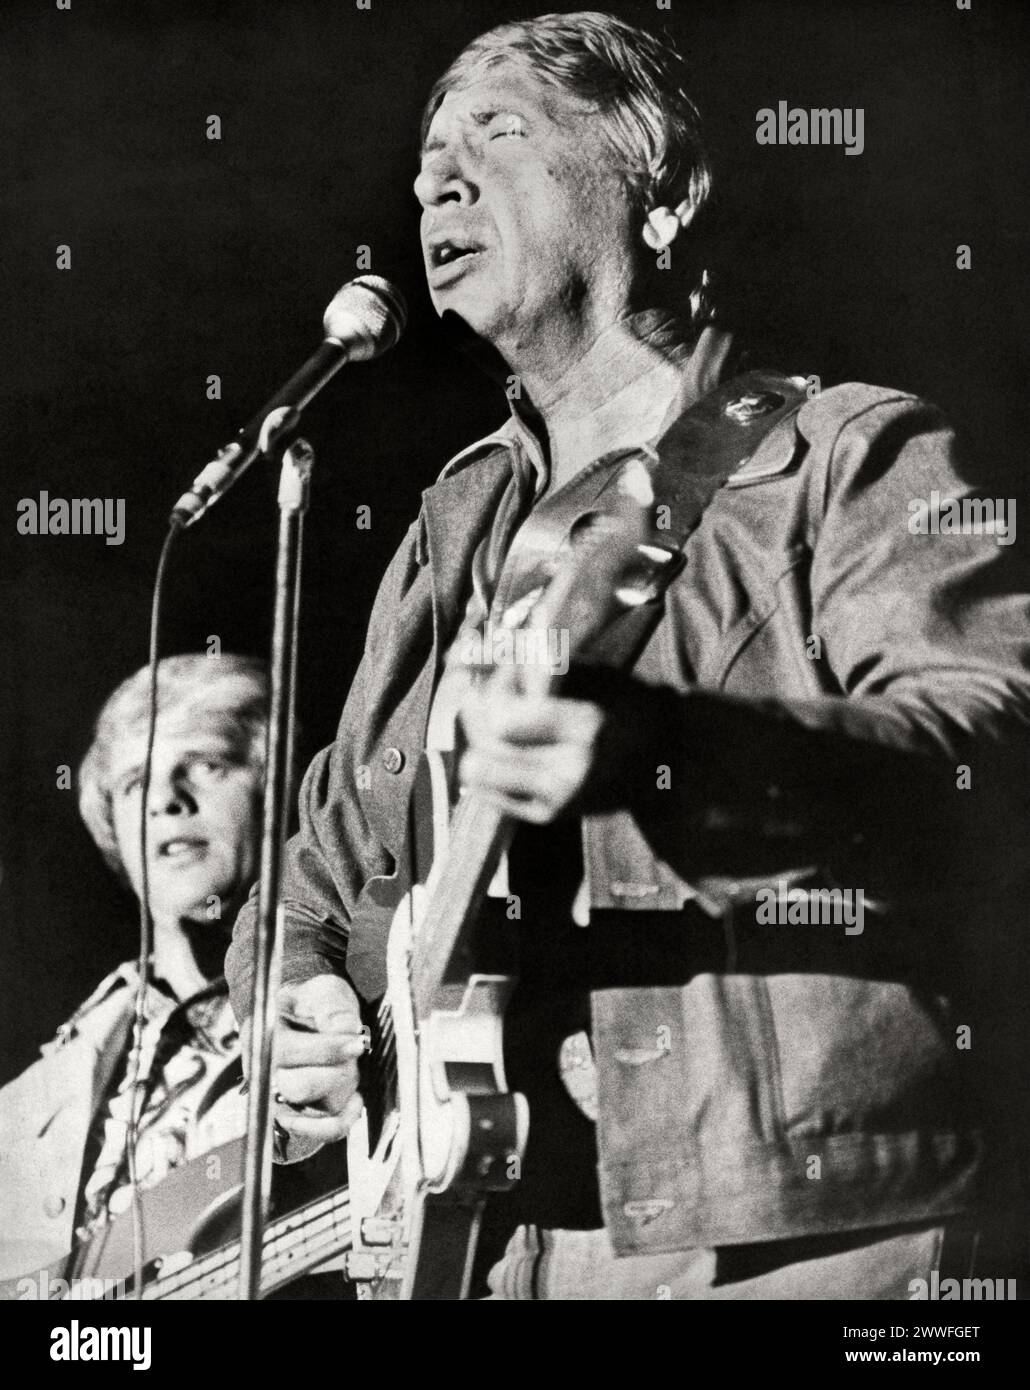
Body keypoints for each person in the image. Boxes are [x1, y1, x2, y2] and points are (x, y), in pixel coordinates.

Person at [226, 12, 1030, 1299]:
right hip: (494, 1247)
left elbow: (985, 749)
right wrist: (292, 991)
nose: (438, 178)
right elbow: (318, 861)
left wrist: (672, 754)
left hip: (803, 1233)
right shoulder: (456, 521)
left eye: (500, 133)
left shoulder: (839, 458)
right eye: (429, 156)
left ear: (665, 197)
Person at [0, 654, 268, 1286]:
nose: (167, 802)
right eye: (134, 784)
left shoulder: (354, 1016)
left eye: (207, 765)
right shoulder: (34, 1098)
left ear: (278, 790)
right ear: (114, 827)